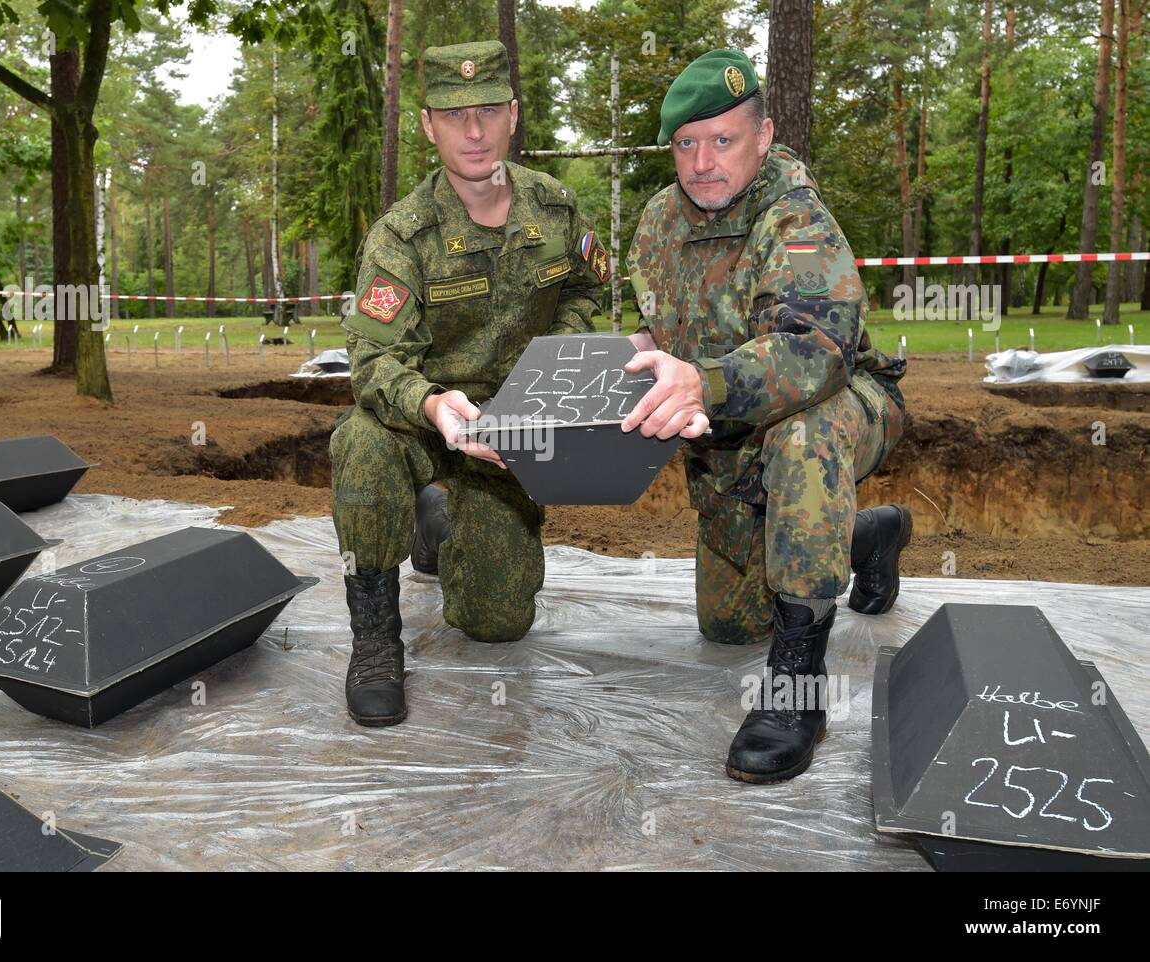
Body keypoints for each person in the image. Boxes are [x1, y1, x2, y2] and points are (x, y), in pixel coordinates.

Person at [623, 49, 912, 783]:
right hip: (726, 439)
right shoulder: (658, 225)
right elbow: (660, 329)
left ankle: (797, 695)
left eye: (722, 139)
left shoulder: (795, 215)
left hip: (842, 407)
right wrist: (638, 353)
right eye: (686, 143)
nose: (702, 162)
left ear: (764, 134)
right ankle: (864, 536)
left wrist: (704, 384)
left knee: (803, 431)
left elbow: (815, 348)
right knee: (728, 628)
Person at [330, 40, 607, 727]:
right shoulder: (402, 236)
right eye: (454, 116)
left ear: (514, 114)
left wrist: (557, 366)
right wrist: (432, 403)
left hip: (508, 433)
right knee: (360, 443)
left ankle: (437, 524)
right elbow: (371, 363)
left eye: (488, 110)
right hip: (426, 422)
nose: (474, 131)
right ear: (428, 126)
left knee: (497, 623)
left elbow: (590, 294)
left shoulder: (557, 211)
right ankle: (373, 637)